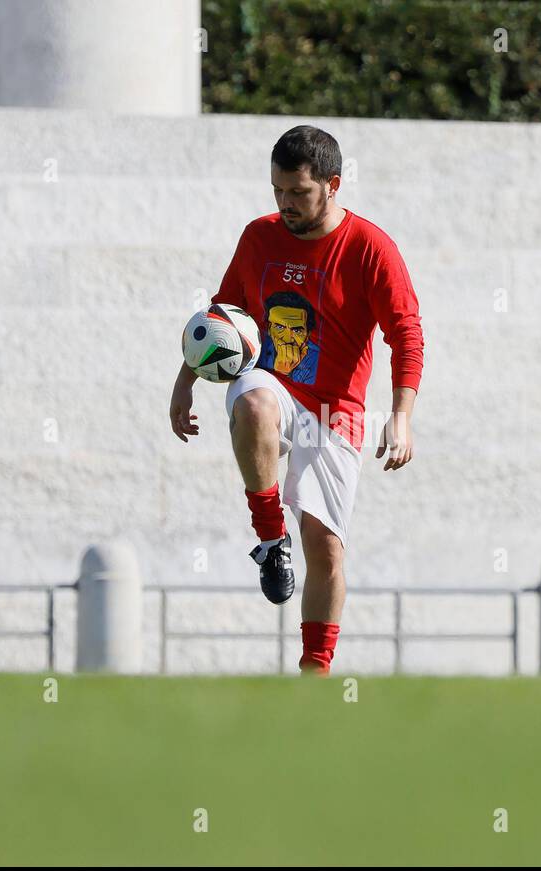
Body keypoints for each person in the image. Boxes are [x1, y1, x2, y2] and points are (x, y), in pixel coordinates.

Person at [169, 125, 425, 675]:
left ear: (333, 185)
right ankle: (268, 538)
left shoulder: (370, 248)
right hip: (273, 386)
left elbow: (406, 332)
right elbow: (221, 319)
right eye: (278, 191)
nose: (285, 204)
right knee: (256, 404)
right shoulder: (258, 237)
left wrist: (401, 418)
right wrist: (184, 380)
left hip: (336, 411)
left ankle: (315, 673)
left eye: (298, 193)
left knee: (327, 550)